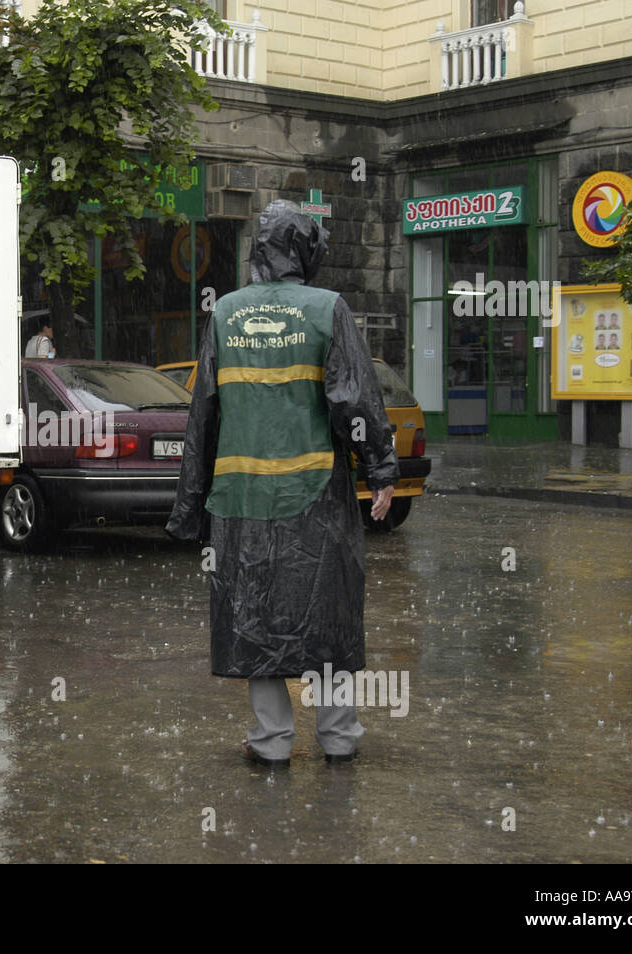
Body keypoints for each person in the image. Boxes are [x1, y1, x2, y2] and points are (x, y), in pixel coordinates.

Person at [166, 199, 399, 767]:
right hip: (315, 496)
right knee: (329, 612)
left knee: (254, 615)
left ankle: (271, 742)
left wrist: (188, 508)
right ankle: (338, 738)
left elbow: (204, 416)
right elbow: (355, 400)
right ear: (304, 251)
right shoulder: (328, 309)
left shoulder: (225, 314)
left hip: (240, 501)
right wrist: (381, 469)